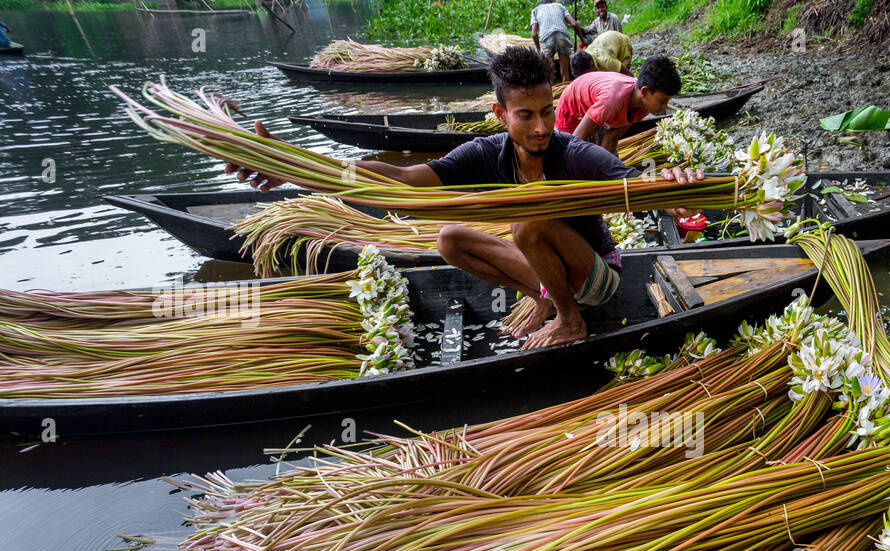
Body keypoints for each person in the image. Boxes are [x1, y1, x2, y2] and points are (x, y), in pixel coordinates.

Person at [226, 47, 704, 350]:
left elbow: (637, 183)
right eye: (524, 116)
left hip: (599, 275)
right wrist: (301, 169)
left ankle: (570, 319)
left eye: (546, 112)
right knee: (450, 238)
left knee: (528, 221)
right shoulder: (484, 154)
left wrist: (674, 188)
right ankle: (548, 297)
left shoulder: (574, 153)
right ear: (500, 114)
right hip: (550, 268)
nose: (540, 128)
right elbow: (402, 177)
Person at [555, 54, 680, 155]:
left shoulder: (644, 106)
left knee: (606, 162)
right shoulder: (612, 100)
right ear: (645, 91)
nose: (665, 107)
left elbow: (612, 136)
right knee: (571, 156)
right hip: (571, 111)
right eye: (662, 101)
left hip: (594, 108)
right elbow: (576, 139)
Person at [531, 2, 580, 82]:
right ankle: (565, 91)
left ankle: (552, 92)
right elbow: (574, 24)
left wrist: (539, 50)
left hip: (547, 39)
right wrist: (582, 39)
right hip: (563, 37)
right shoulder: (560, 6)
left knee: (549, 73)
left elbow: (534, 34)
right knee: (565, 72)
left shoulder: (535, 10)